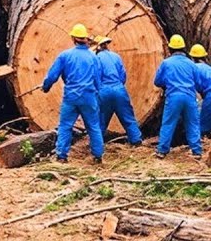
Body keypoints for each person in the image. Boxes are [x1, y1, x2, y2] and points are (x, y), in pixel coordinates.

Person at [42, 24, 104, 163]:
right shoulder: (93, 57)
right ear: (86, 39)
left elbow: (52, 76)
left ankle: (62, 156)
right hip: (89, 96)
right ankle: (98, 156)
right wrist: (96, 94)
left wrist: (46, 87)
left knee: (65, 126)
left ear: (73, 38)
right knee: (94, 126)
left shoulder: (65, 56)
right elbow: (98, 79)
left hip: (71, 97)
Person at [153, 34, 202, 159]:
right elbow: (197, 82)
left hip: (174, 96)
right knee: (192, 123)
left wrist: (167, 84)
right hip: (190, 97)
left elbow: (157, 81)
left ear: (170, 49)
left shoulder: (166, 63)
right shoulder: (191, 64)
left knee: (168, 123)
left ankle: (162, 151)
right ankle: (196, 151)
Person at [93, 36, 143, 146]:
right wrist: (118, 86)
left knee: (101, 120)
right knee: (128, 117)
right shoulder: (116, 56)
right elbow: (123, 75)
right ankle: (136, 140)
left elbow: (96, 77)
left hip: (104, 91)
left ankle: (97, 144)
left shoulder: (96, 59)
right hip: (119, 89)